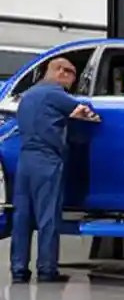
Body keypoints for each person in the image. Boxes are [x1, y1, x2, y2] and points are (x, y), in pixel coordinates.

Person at [10, 57, 98, 283]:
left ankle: (19, 270)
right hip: (47, 160)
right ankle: (47, 269)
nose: (71, 85)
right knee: (47, 217)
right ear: (61, 72)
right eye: (72, 78)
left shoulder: (28, 96)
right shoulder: (55, 94)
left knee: (22, 217)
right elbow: (87, 113)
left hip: (24, 161)